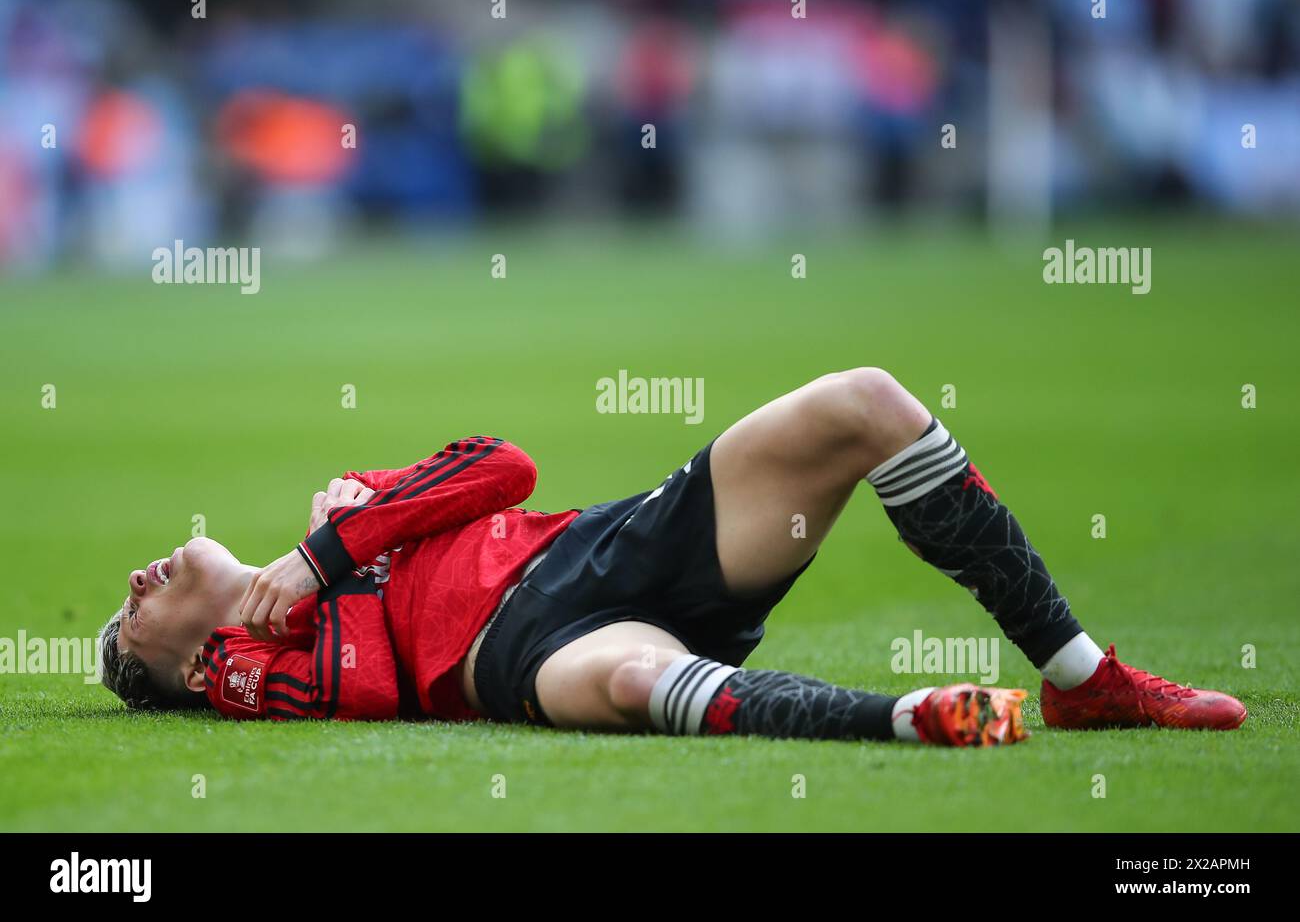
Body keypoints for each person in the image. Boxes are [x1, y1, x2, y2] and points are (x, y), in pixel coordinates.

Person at [99, 369, 1247, 746]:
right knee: (641, 683)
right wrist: (325, 573)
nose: (138, 579)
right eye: (128, 618)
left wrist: (330, 545)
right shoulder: (269, 668)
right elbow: (378, 686)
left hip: (616, 540)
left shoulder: (336, 525)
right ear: (190, 666)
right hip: (525, 652)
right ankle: (908, 718)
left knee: (865, 404)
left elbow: (504, 464)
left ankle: (1081, 677)